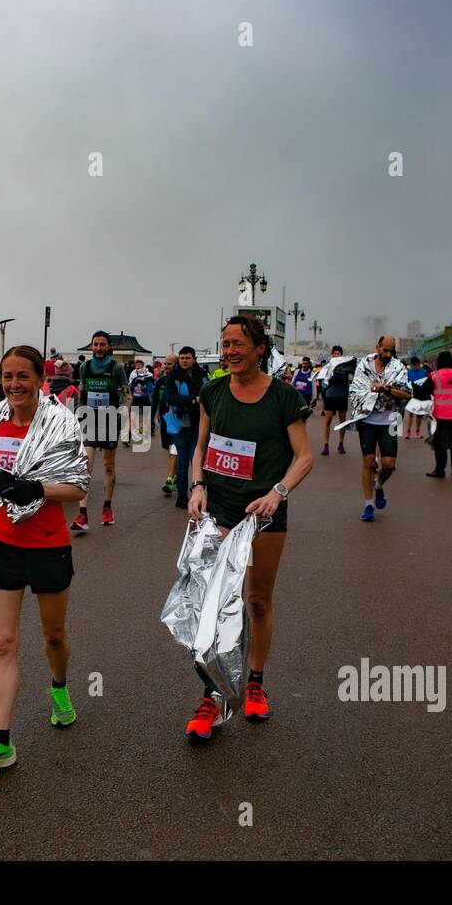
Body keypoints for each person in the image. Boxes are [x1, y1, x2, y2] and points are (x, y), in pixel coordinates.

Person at [185, 315, 313, 739]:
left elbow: (304, 457)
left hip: (264, 513)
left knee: (257, 601)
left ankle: (255, 682)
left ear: (260, 348)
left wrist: (278, 492)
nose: (230, 352)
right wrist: (197, 485)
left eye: (238, 344)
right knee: (218, 603)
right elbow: (200, 446)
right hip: (220, 508)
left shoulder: (284, 397)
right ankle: (213, 694)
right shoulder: (212, 391)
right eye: (225, 344)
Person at [0, 345, 87, 780]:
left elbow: (78, 487)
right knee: (3, 644)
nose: (14, 384)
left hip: (48, 545)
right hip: (2, 543)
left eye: (22, 376)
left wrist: (35, 489)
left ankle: (59, 687)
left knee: (53, 635)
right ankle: (1, 743)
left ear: (40, 380)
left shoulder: (61, 424)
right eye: (7, 376)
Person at [71, 331, 129, 530]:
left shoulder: (117, 368)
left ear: (108, 346)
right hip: (89, 419)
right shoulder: (84, 367)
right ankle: (82, 514)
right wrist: (79, 413)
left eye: (102, 344)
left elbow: (125, 392)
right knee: (85, 464)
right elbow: (82, 391)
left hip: (110, 419)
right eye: (95, 344)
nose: (98, 348)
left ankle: (107, 507)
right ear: (91, 346)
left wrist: (123, 413)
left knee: (108, 465)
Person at [351, 336, 411, 521]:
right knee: (368, 461)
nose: (388, 354)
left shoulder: (399, 367)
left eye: (391, 351)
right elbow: (355, 390)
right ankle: (368, 504)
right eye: (385, 350)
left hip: (392, 419)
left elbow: (407, 394)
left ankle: (379, 485)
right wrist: (370, 391)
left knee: (389, 465)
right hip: (367, 419)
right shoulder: (364, 365)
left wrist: (387, 389)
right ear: (377, 347)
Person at [162, 346, 208, 510]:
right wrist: (193, 399)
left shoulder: (202, 376)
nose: (184, 361)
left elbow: (208, 396)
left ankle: (198, 493)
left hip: (199, 424)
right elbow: (171, 398)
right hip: (181, 425)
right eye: (181, 358)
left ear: (194, 359)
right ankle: (182, 497)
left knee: (197, 461)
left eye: (187, 358)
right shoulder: (173, 377)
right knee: (182, 463)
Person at [320, 345, 354, 456]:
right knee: (328, 420)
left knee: (342, 421)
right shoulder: (328, 366)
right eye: (334, 353)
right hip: (330, 395)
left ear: (341, 355)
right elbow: (322, 379)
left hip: (342, 395)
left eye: (338, 353)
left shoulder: (347, 367)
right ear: (332, 355)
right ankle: (326, 445)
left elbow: (351, 379)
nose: (336, 355)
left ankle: (341, 443)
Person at [152, 356, 178, 496]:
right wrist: (151, 418)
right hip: (164, 421)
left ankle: (170, 479)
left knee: (175, 449)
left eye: (170, 364)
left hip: (178, 421)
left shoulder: (180, 380)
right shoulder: (161, 381)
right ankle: (176, 475)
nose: (166, 366)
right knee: (170, 449)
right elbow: (155, 400)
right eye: (165, 363)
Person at [405, 357, 431, 439]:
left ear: (419, 364)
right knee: (410, 414)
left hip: (421, 395)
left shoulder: (424, 372)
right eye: (413, 366)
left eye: (416, 365)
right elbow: (407, 383)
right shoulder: (409, 372)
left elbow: (427, 383)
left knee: (419, 415)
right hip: (412, 395)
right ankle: (408, 432)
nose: (415, 367)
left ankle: (417, 432)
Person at [128, 359, 154, 442]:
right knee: (132, 417)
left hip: (145, 398)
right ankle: (129, 435)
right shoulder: (133, 374)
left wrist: (145, 387)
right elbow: (130, 385)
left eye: (139, 364)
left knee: (145, 418)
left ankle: (143, 433)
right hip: (136, 399)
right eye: (136, 365)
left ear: (143, 365)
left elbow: (151, 387)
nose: (138, 366)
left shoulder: (148, 374)